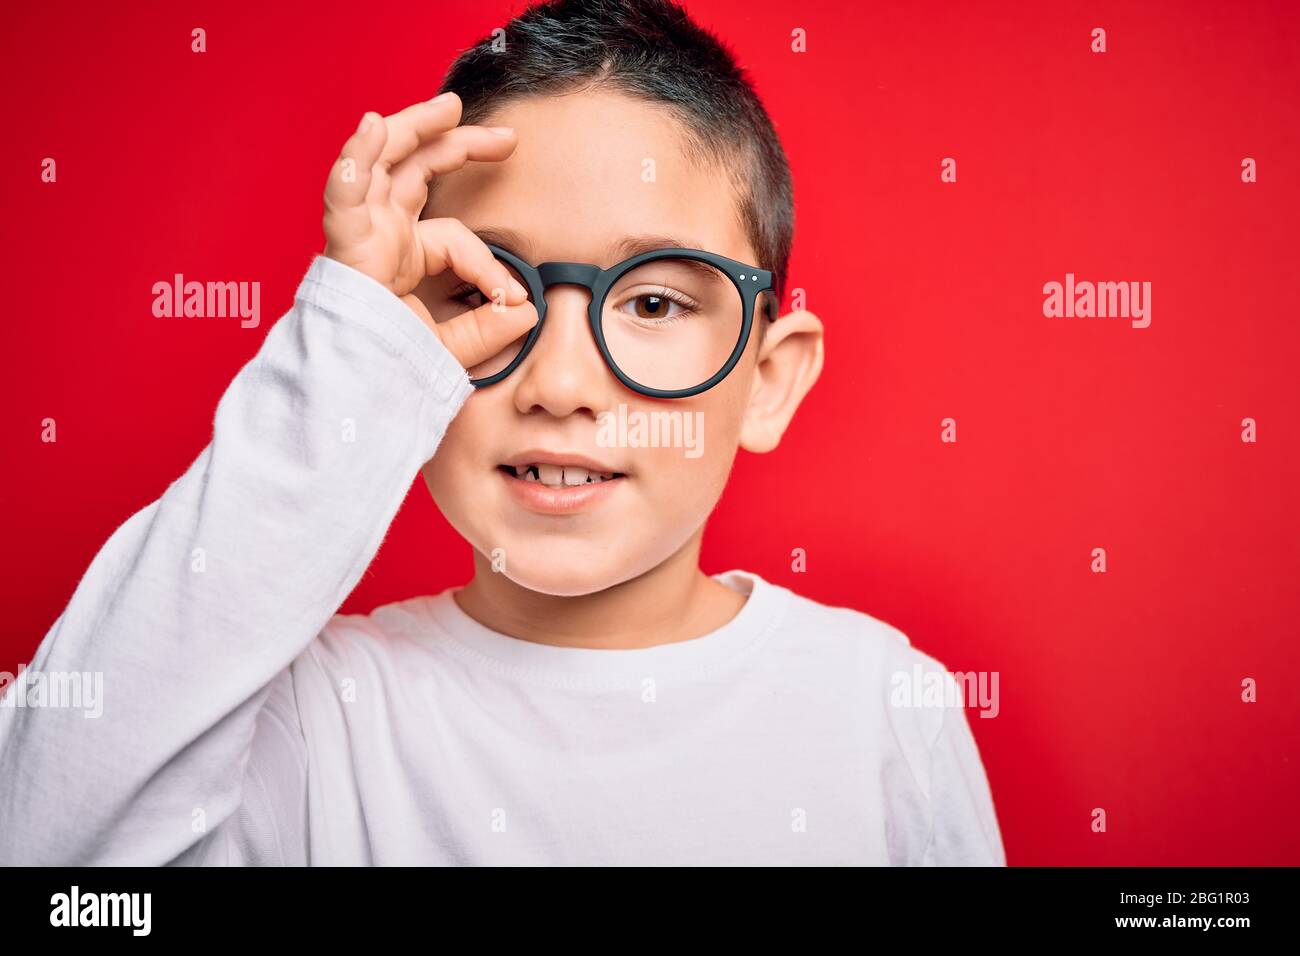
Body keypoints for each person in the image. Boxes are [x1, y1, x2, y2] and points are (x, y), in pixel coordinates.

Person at [0, 0, 1004, 865]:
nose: (561, 383)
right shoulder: (312, 721)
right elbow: (50, 840)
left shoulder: (877, 708)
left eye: (652, 305)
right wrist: (350, 346)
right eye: (486, 286)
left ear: (768, 381)